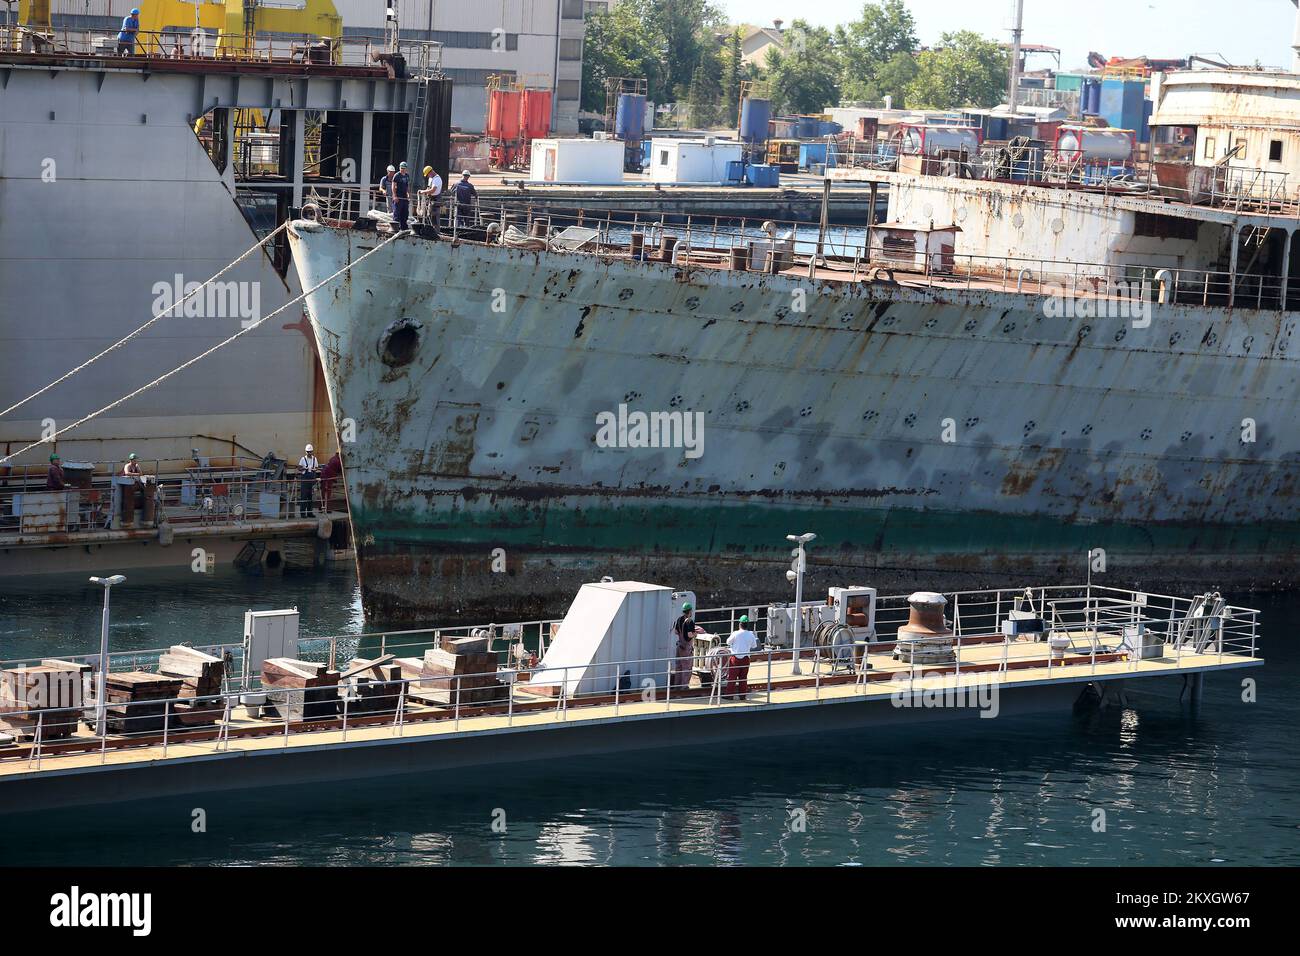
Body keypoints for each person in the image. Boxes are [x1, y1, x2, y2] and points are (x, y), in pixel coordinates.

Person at [725, 614, 758, 700]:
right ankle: (742, 696)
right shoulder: (751, 635)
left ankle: (729, 695)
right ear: (747, 625)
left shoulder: (735, 633)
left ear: (740, 624)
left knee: (732, 678)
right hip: (746, 659)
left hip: (735, 658)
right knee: (743, 678)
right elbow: (754, 646)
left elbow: (728, 642)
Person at [671, 601, 701, 690]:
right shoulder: (690, 622)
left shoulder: (679, 619)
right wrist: (695, 634)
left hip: (679, 646)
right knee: (687, 668)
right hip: (686, 648)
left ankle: (677, 686)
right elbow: (689, 635)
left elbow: (676, 632)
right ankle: (684, 687)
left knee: (679, 666)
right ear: (690, 611)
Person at [297, 443, 320, 517]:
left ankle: (310, 512)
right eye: (308, 452)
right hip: (305, 480)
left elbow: (316, 468)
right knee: (304, 496)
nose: (309, 453)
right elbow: (299, 468)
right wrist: (304, 468)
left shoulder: (314, 459)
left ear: (312, 451)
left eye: (310, 452)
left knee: (311, 496)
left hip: (312, 479)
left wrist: (314, 469)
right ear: (306, 452)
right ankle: (302, 513)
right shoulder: (303, 459)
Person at [393, 161, 411, 229]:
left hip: (404, 197)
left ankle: (404, 228)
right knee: (397, 213)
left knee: (405, 213)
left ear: (406, 169)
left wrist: (408, 194)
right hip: (398, 196)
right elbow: (393, 186)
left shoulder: (407, 176)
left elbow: (407, 186)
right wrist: (394, 196)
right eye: (401, 168)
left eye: (404, 168)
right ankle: (395, 228)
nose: (402, 169)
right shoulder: (397, 175)